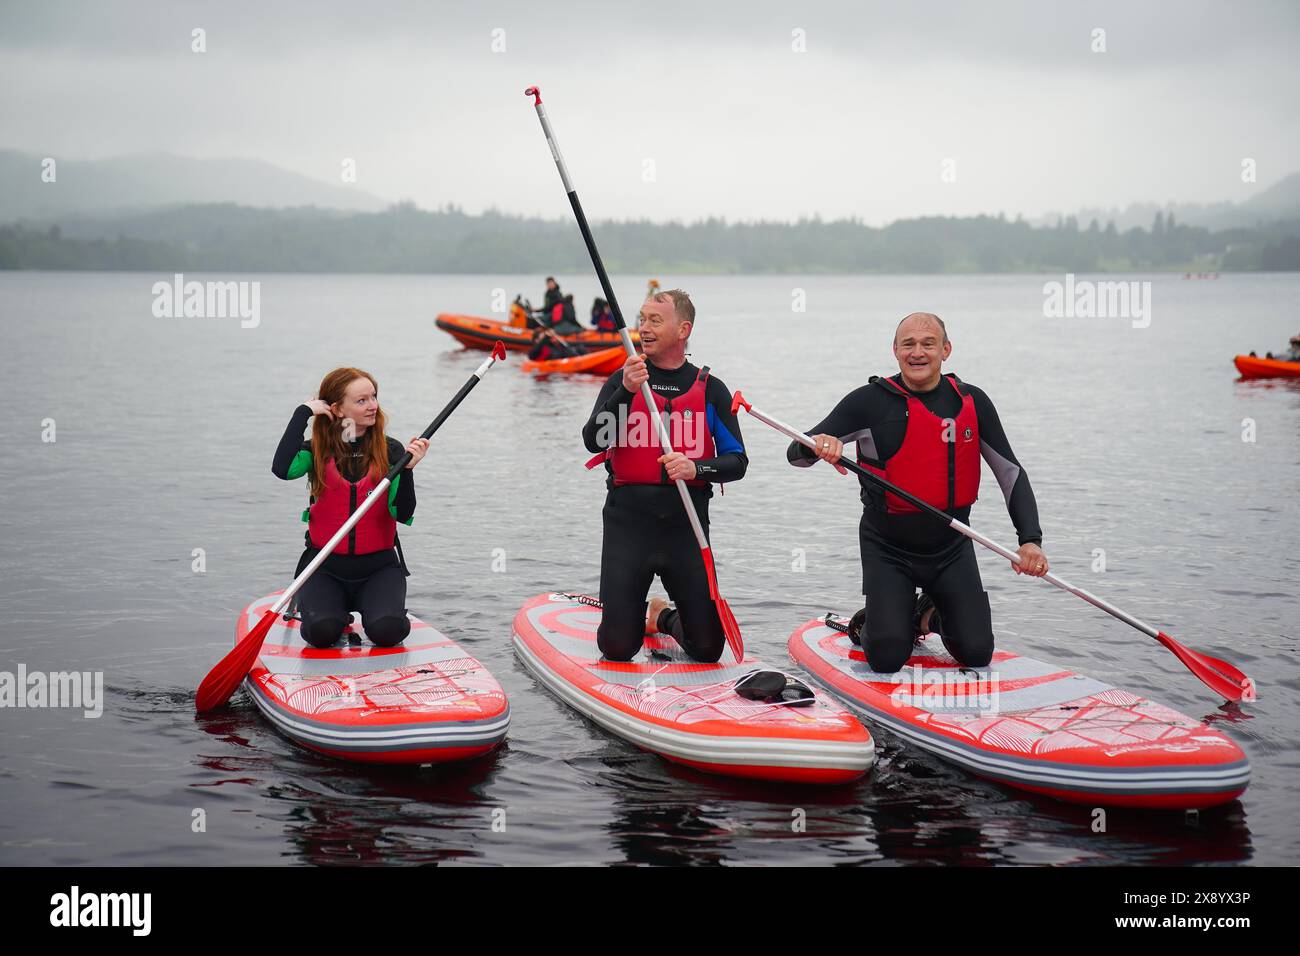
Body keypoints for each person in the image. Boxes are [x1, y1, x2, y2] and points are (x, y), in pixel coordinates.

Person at [788, 312, 1047, 673]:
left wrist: (1030, 540)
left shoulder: (972, 403)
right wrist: (818, 446)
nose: (918, 352)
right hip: (887, 548)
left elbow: (1010, 472)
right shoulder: (869, 402)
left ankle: (925, 614)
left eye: (928, 343)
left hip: (951, 546)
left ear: (946, 350)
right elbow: (795, 455)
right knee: (887, 657)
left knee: (976, 651)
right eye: (908, 344)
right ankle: (877, 621)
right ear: (895, 350)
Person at [582, 289, 747, 662]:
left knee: (707, 649)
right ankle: (623, 618)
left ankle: (663, 617)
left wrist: (695, 468)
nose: (644, 328)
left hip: (685, 528)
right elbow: (595, 440)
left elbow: (737, 462)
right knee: (618, 647)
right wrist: (625, 391)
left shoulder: (711, 390)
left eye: (655, 320)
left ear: (683, 329)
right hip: (629, 526)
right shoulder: (623, 380)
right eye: (642, 319)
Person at [271, 367, 429, 648]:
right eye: (361, 400)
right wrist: (303, 413)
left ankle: (381, 612)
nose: (373, 406)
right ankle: (335, 615)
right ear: (338, 409)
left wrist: (407, 472)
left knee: (387, 632)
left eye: (374, 397)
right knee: (321, 633)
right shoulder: (315, 450)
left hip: (379, 568)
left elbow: (403, 515)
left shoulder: (391, 451)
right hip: (325, 566)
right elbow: (282, 469)